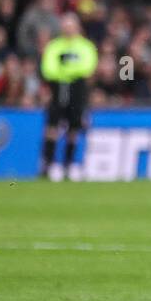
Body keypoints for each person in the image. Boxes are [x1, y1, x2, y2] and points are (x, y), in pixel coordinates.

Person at [40, 12, 98, 181]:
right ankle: (48, 164)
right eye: (66, 26)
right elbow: (48, 69)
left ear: (77, 27)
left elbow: (88, 67)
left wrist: (64, 71)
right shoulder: (55, 46)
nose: (68, 29)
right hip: (57, 89)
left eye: (71, 26)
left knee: (74, 127)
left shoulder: (85, 46)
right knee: (52, 126)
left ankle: (68, 164)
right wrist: (69, 72)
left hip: (77, 89)